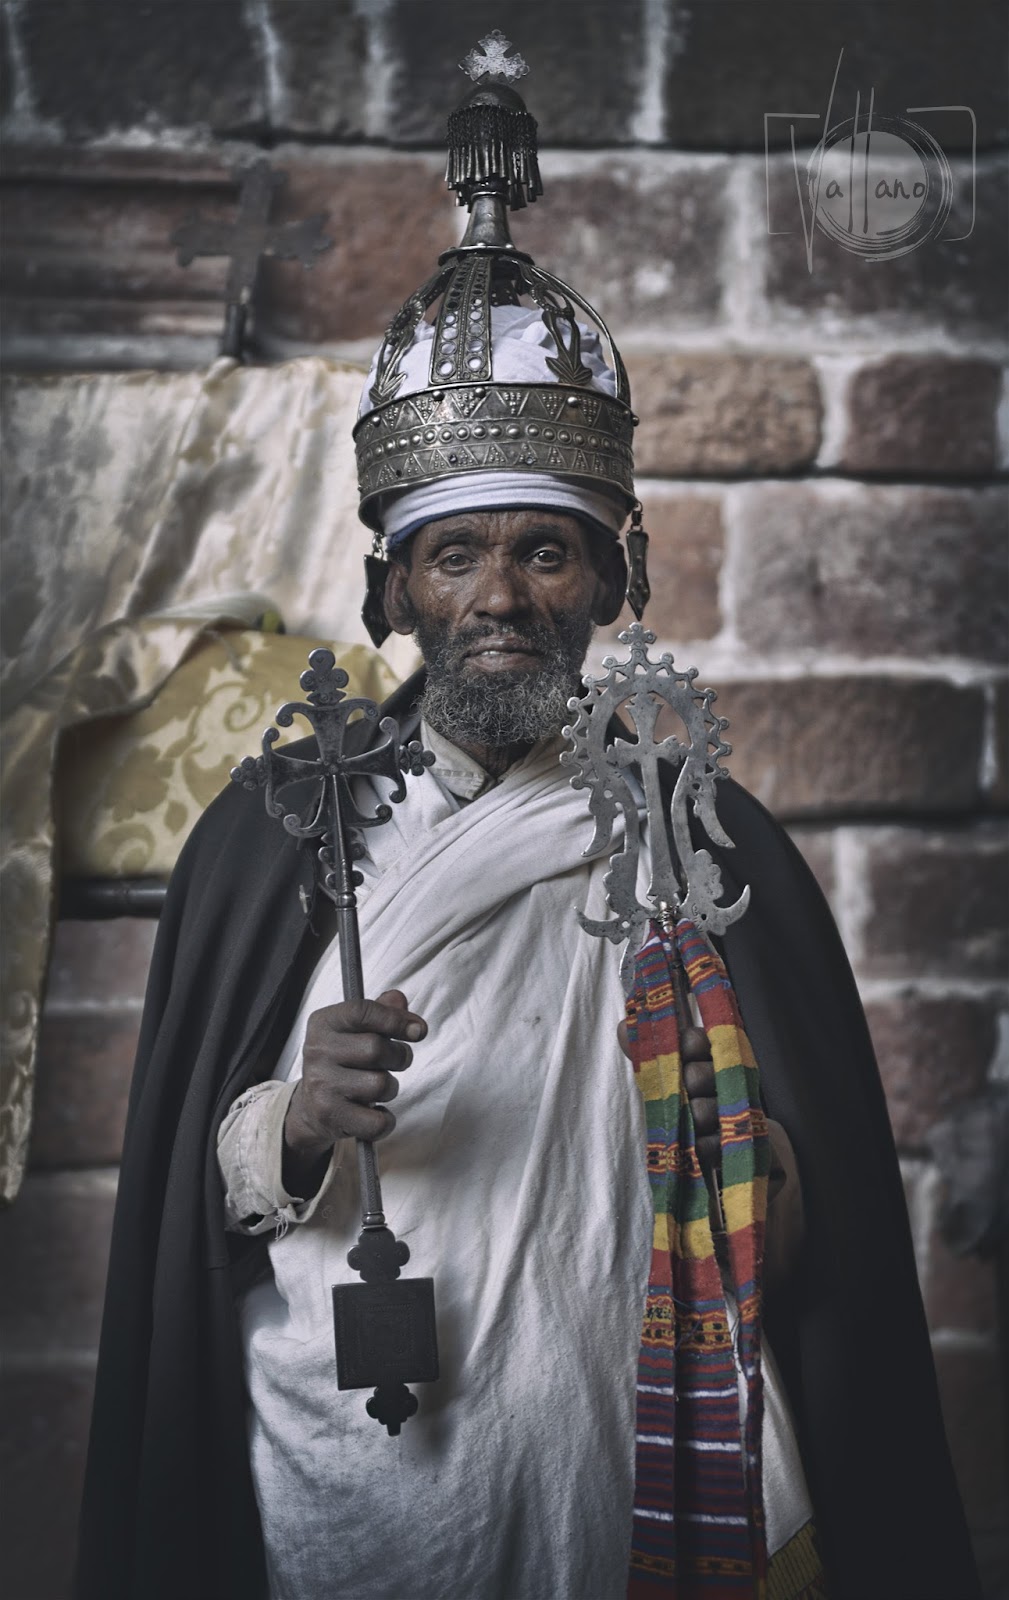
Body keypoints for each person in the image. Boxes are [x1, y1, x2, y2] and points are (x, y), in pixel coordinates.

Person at [77, 55, 979, 1600]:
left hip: (622, 1440)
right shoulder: (277, 834)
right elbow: (191, 1193)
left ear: (611, 577)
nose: (500, 599)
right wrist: (290, 1123)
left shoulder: (710, 847)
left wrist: (747, 1159)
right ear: (393, 589)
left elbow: (810, 1218)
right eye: (458, 560)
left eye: (547, 556)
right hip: (355, 1465)